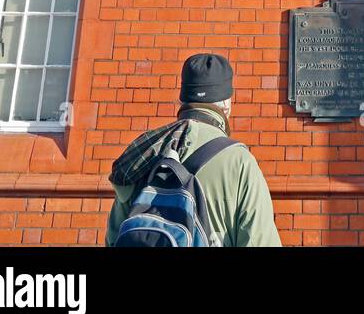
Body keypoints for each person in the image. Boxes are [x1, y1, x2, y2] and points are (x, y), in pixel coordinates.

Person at [105, 52, 281, 247]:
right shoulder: (238, 161)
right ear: (226, 105)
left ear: (182, 101)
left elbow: (114, 239)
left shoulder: (142, 154)